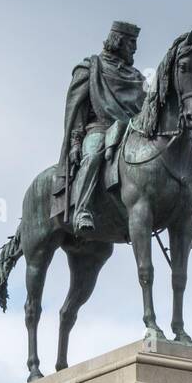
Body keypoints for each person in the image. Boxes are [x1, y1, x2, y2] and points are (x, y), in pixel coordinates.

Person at [52, 20, 145, 234]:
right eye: (131, 43)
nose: (135, 48)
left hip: (131, 131)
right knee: (93, 157)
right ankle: (82, 210)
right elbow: (76, 110)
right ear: (118, 41)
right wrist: (75, 143)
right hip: (98, 129)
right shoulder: (90, 68)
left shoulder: (136, 77)